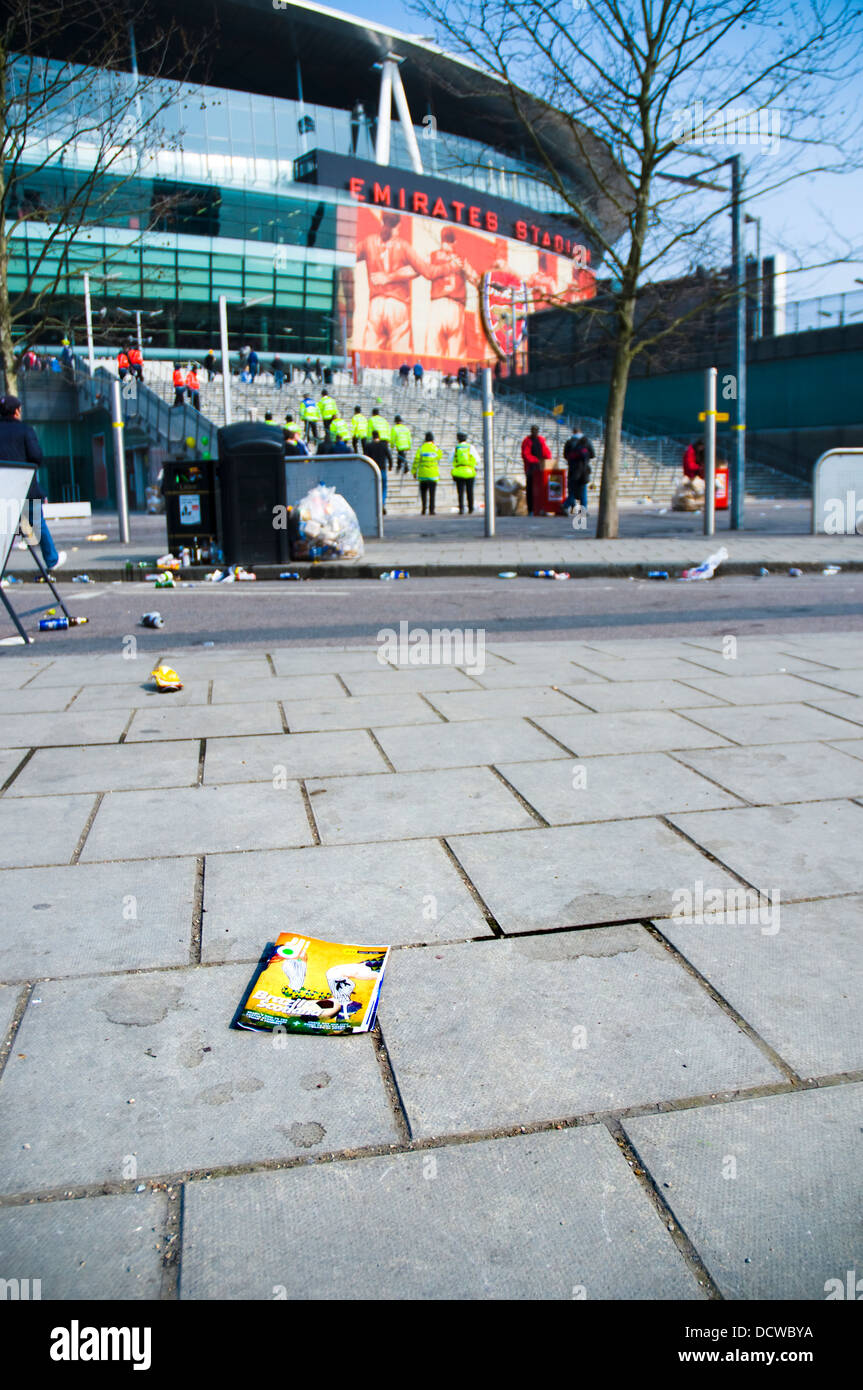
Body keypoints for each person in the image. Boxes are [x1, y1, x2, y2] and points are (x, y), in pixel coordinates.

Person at [0, 395, 66, 574]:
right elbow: (36, 456)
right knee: (38, 524)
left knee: (2, 533)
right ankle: (52, 559)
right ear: (16, 411)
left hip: (3, 491)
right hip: (25, 488)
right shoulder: (25, 430)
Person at [563, 429, 594, 516]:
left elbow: (565, 455)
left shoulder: (569, 442)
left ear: (573, 432)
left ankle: (568, 506)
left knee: (572, 489)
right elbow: (593, 454)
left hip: (572, 469)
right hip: (583, 469)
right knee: (583, 490)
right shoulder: (587, 442)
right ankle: (582, 509)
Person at [521, 425, 551, 515]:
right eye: (533, 430)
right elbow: (525, 454)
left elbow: (546, 451)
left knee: (542, 489)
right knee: (530, 489)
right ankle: (531, 510)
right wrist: (536, 460)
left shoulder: (541, 440)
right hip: (531, 468)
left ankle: (541, 508)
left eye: (536, 431)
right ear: (531, 431)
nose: (535, 432)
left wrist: (548, 458)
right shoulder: (527, 441)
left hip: (540, 468)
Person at [413, 431, 442, 515]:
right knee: (432, 493)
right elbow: (440, 455)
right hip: (433, 474)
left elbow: (416, 460)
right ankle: (432, 510)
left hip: (423, 474)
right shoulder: (435, 448)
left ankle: (423, 509)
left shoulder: (421, 448)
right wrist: (435, 446)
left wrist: (414, 471)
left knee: (423, 492)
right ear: (433, 439)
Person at [364, 429, 392, 514]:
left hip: (372, 471)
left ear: (372, 436)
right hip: (382, 469)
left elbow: (366, 458)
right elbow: (389, 456)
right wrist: (391, 465)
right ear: (379, 436)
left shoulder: (369, 446)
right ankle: (382, 504)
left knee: (374, 488)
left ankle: (375, 505)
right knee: (383, 488)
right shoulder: (383, 445)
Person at [451, 431, 479, 514]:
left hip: (459, 472)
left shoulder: (456, 448)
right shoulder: (471, 447)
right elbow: (477, 459)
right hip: (470, 471)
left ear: (458, 439)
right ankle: (470, 508)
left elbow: (450, 459)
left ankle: (461, 508)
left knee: (460, 492)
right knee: (470, 491)